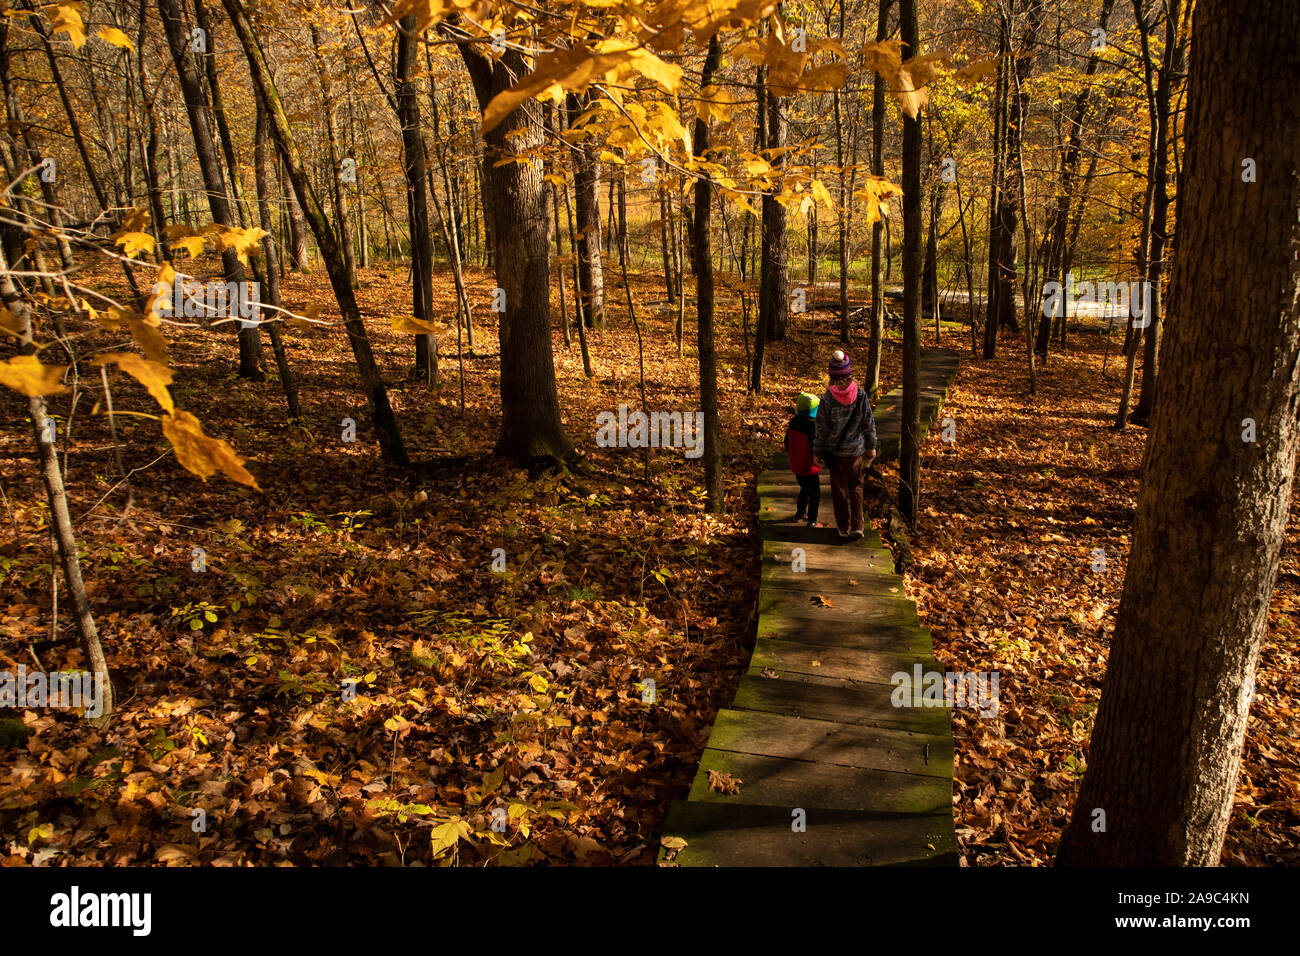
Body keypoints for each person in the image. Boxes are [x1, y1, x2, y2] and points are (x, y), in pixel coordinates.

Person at [814, 350, 877, 540]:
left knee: (839, 490)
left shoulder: (827, 399)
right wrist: (871, 447)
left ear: (831, 376)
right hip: (856, 452)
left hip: (835, 454)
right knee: (856, 487)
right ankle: (858, 526)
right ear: (849, 374)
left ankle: (843, 527)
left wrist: (817, 451)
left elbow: (821, 428)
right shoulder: (861, 396)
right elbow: (869, 423)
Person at [784, 392, 822, 527]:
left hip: (796, 465)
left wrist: (792, 454)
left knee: (805, 488)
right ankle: (812, 520)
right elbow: (815, 445)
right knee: (815, 493)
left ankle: (800, 513)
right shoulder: (813, 425)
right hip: (809, 466)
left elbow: (786, 441)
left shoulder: (793, 421)